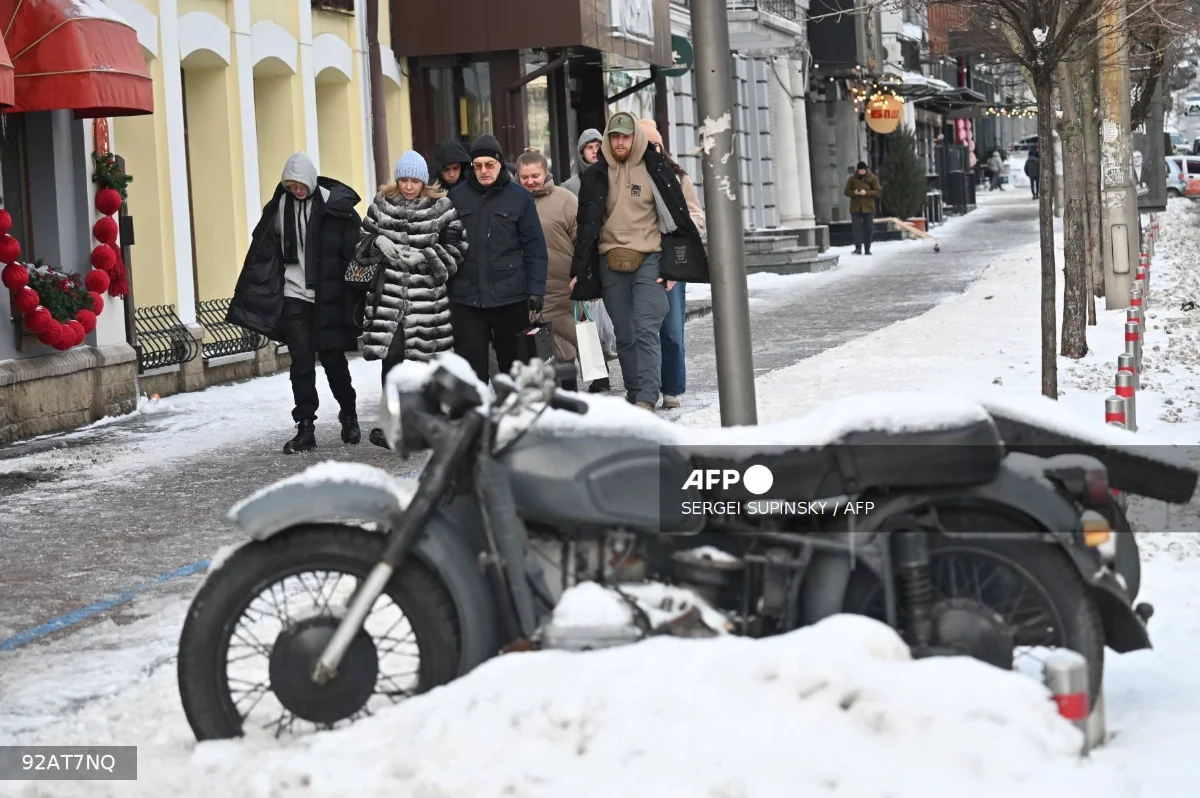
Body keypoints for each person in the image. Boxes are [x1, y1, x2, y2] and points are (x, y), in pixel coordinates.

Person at [568, 110, 705, 411]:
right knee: (625, 333)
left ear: (636, 138)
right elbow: (586, 228)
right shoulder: (595, 177)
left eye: (625, 136)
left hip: (650, 260)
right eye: (614, 136)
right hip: (609, 261)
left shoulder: (658, 171)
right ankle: (634, 391)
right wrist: (580, 271)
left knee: (646, 328)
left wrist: (674, 268)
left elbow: (678, 222)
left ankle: (646, 396)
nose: (619, 142)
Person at [227, 152, 363, 453]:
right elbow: (263, 248)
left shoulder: (335, 208)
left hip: (327, 296)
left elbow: (355, 252)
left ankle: (349, 414)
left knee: (333, 361)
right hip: (294, 295)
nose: (296, 190)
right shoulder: (279, 207)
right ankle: (305, 427)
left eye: (300, 184)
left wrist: (355, 293)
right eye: (290, 184)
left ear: (311, 180)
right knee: (301, 363)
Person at [356, 150, 466, 448]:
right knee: (391, 360)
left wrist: (427, 256)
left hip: (426, 301)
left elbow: (458, 249)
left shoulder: (442, 208)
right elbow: (360, 242)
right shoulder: (381, 204)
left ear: (424, 181)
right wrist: (376, 241)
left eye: (414, 181)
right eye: (403, 180)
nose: (408, 186)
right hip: (388, 298)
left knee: (422, 363)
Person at [447, 134, 549, 384]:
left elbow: (535, 246)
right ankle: (476, 419)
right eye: (478, 165)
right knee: (470, 373)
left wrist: (536, 288)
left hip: (510, 297)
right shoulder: (456, 197)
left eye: (489, 164)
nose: (484, 170)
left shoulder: (519, 197)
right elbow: (445, 244)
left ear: (500, 163)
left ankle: (515, 419)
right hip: (467, 298)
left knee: (514, 370)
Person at [638, 118, 705, 410]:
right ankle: (644, 388)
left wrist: (680, 225)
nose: (652, 151)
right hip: (639, 260)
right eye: (646, 145)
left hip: (672, 260)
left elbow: (698, 216)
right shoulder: (628, 179)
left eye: (656, 145)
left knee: (672, 328)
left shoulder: (679, 178)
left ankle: (672, 387)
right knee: (641, 330)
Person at [516, 147, 579, 392]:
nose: (530, 181)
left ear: (546, 173)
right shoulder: (513, 200)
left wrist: (582, 275)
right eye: (525, 177)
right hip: (526, 287)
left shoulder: (565, 199)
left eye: (535, 175)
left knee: (564, 347)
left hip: (560, 287)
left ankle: (570, 401)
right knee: (534, 351)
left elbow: (581, 240)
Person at [843, 161, 880, 256]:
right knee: (856, 229)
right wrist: (854, 192)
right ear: (857, 170)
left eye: (863, 170)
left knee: (868, 229)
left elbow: (877, 192)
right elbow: (847, 192)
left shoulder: (872, 178)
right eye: (860, 170)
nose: (862, 171)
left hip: (868, 208)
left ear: (866, 169)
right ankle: (858, 248)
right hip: (856, 208)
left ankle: (867, 248)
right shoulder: (852, 179)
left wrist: (866, 193)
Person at [561, 128, 603, 196]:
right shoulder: (569, 187)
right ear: (582, 153)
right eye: (589, 147)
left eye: (598, 146)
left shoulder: (615, 179)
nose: (595, 151)